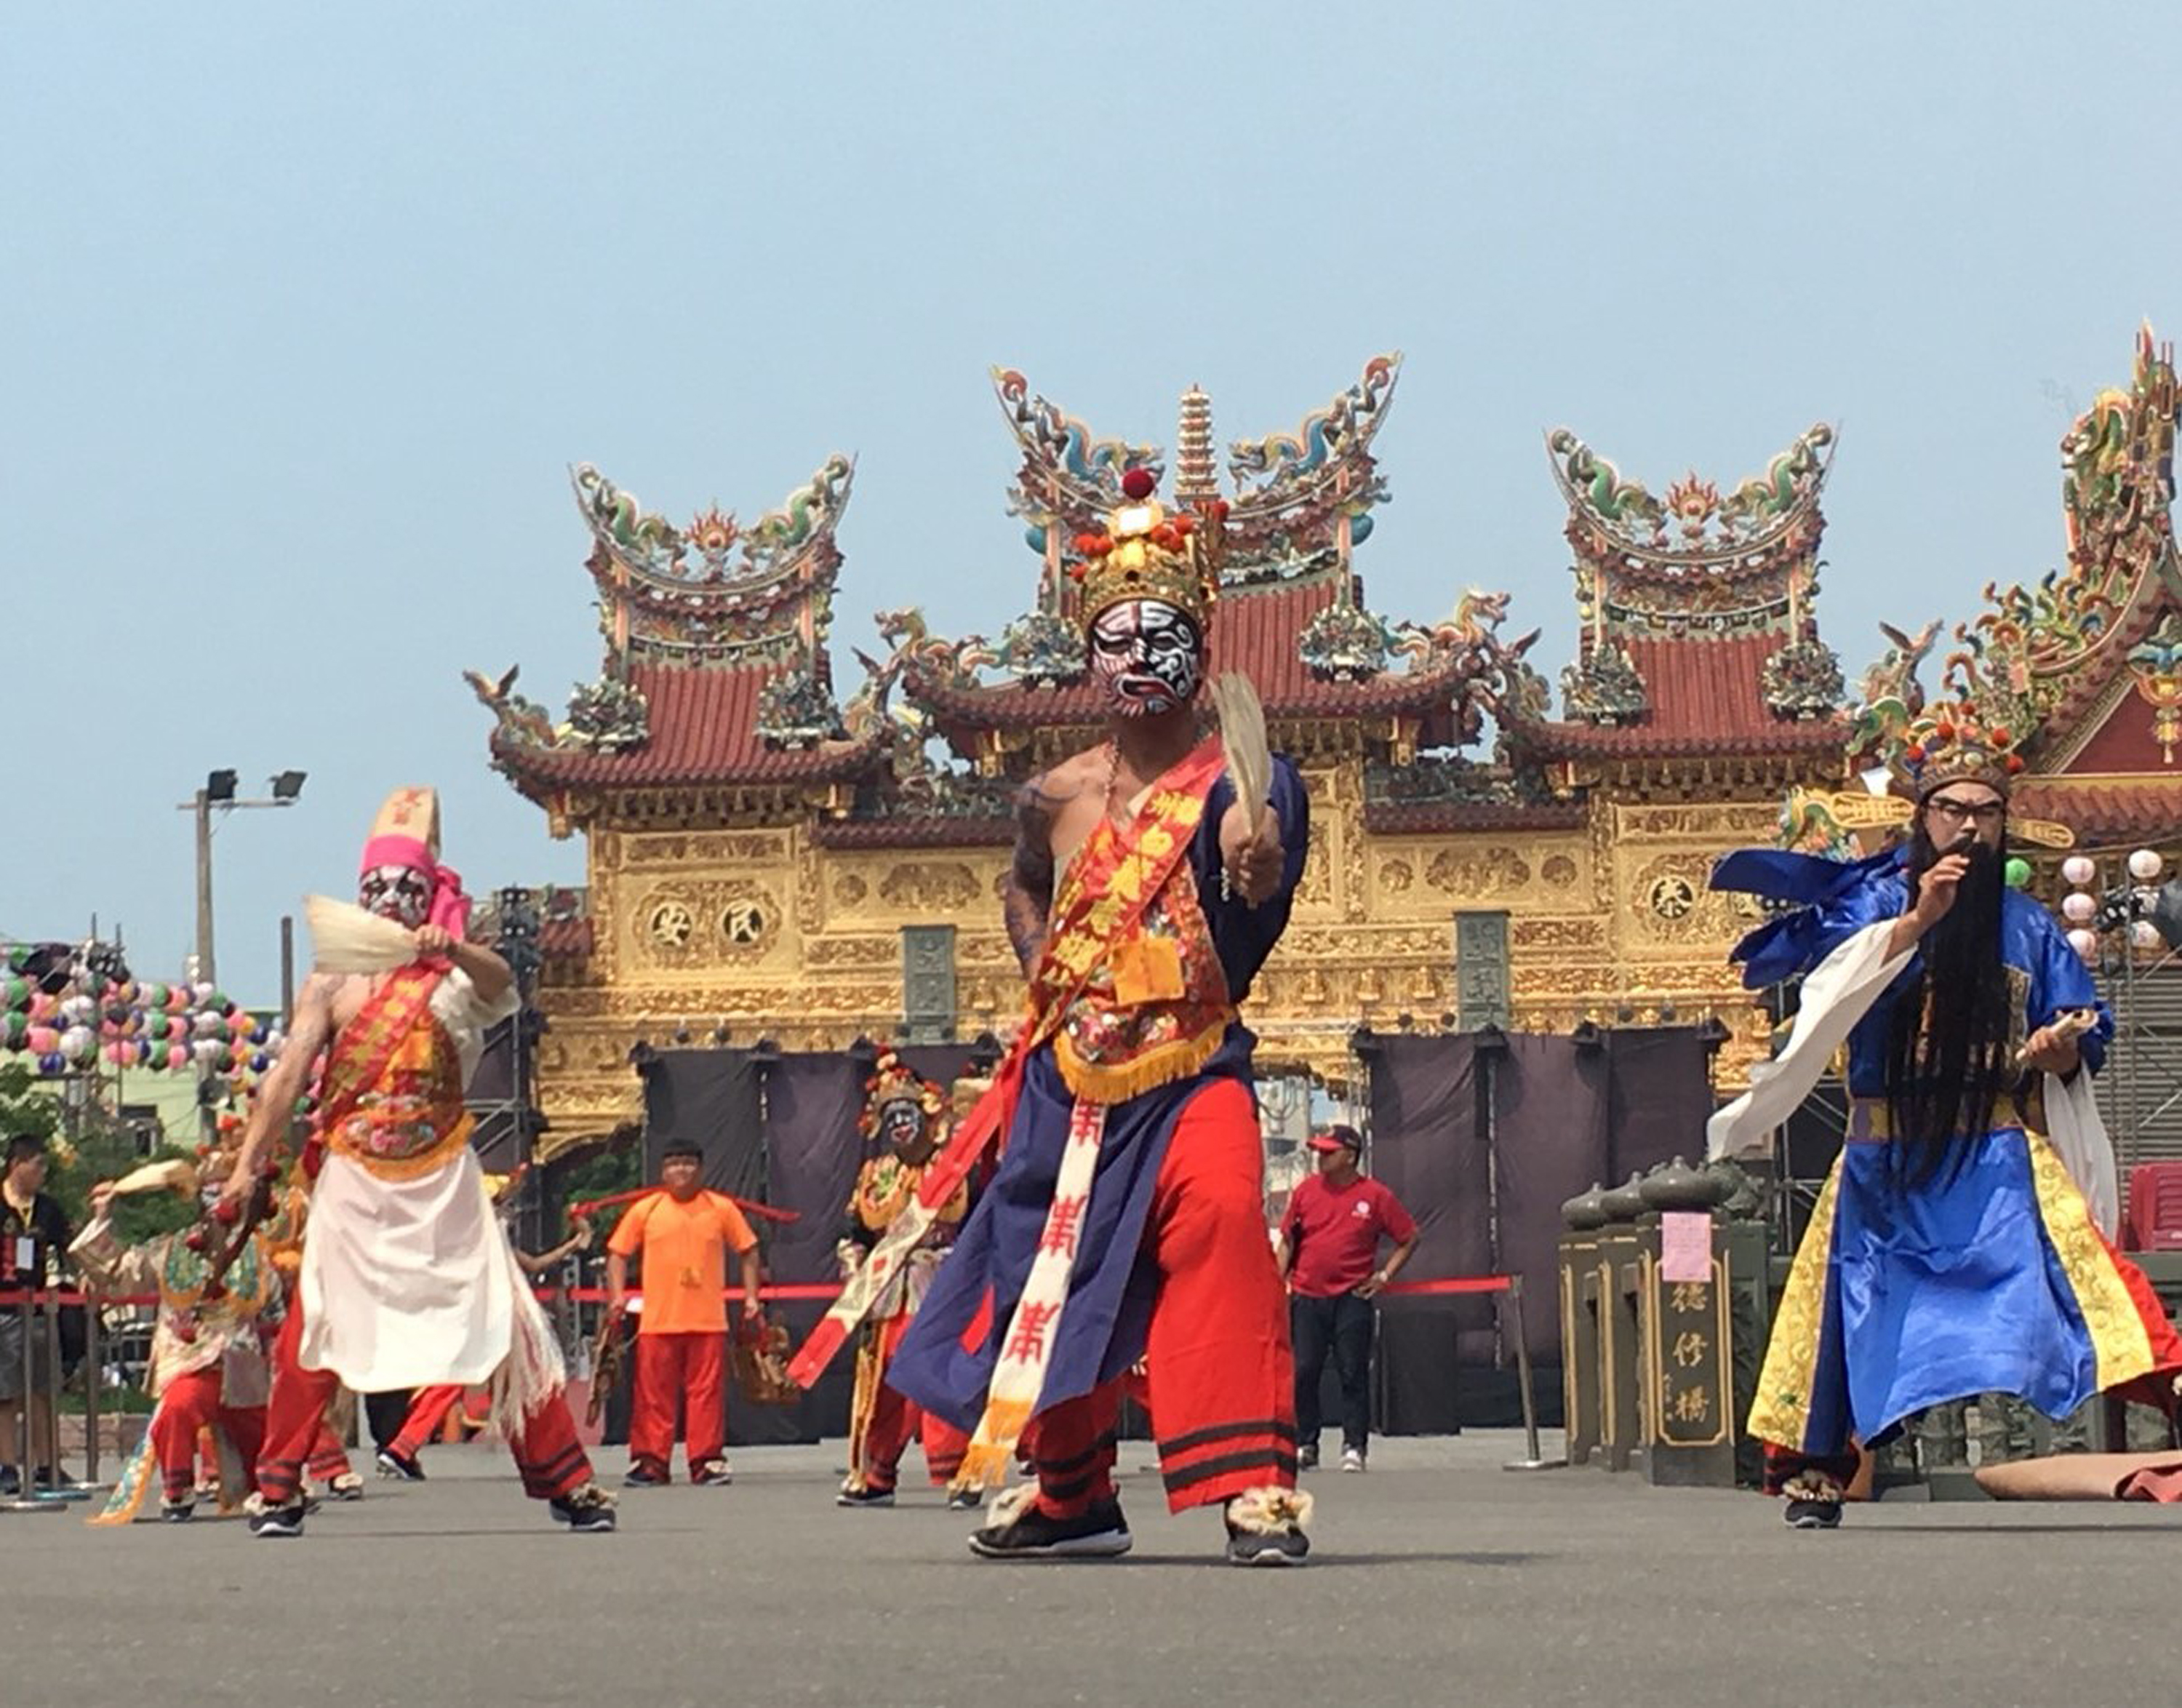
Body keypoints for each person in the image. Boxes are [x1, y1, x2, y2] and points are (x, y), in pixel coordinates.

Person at [885, 468, 1316, 1565]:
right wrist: (1042, 966)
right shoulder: (1057, 791)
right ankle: (1073, 1494)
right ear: (1089, 652)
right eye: (1115, 635)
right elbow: (1022, 882)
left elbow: (1259, 880)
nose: (1135, 654)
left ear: (1198, 645)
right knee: (1044, 1269)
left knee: (1220, 1223)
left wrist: (1254, 867)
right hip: (1066, 1076)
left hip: (1189, 1068)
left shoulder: (1244, 787)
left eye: (1158, 632)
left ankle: (1253, 1487)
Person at [1709, 705, 2182, 1528]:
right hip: (1884, 1154)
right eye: (1951, 810)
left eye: (1984, 812)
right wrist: (1920, 919)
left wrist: (2060, 1046)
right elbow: (1833, 990)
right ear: (1922, 818)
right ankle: (1820, 1469)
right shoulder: (1876, 903)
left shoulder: (2030, 925)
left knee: (2092, 1283)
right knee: (1848, 1303)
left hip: (1998, 1145)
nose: (1968, 825)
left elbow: (2085, 1024)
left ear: (2004, 822)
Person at [220, 787, 615, 1536]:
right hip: (354, 1177)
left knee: (501, 1323)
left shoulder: (454, 979)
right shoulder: (331, 979)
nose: (392, 900)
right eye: (378, 888)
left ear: (431, 891)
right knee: (317, 1325)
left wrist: (453, 945)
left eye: (408, 887)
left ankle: (567, 1481)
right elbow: (288, 1075)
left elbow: (504, 981)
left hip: (441, 1179)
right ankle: (280, 1485)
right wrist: (247, 1163)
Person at [73, 1152, 279, 1523]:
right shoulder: (171, 1248)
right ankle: (177, 1488)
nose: (219, 1202)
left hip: (240, 1359)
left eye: (227, 1193)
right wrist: (103, 1218)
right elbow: (117, 1274)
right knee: (177, 1410)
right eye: (212, 1193)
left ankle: (274, 1489)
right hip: (189, 1357)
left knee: (261, 1431)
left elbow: (275, 1303)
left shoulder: (256, 1250)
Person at [834, 1051, 974, 1509]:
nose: (898, 1124)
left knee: (939, 1379)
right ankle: (877, 1473)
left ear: (927, 1118)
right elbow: (855, 1234)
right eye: (890, 1116)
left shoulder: (952, 1167)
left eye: (907, 1114)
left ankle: (957, 1472)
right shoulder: (875, 1174)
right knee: (883, 1386)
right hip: (887, 1294)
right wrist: (855, 1270)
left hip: (940, 1287)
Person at [377, 1210, 593, 1480]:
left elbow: (535, 1265)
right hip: (480, 1315)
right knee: (480, 1380)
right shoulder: (458, 1238)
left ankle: (403, 1447)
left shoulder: (495, 1241)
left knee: (475, 1381)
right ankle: (554, 1472)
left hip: (498, 1317)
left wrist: (575, 1243)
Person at [605, 1142, 762, 1487]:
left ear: (701, 1170)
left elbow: (749, 1250)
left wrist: (752, 1297)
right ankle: (650, 1461)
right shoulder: (646, 1210)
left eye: (689, 1164)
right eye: (674, 1164)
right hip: (657, 1322)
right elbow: (617, 1253)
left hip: (707, 1321)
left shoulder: (721, 1209)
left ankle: (706, 1460)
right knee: (652, 1395)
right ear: (663, 1172)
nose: (682, 1170)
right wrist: (617, 1297)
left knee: (705, 1394)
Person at [1275, 1125, 1418, 1474]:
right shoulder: (1306, 1191)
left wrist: (1384, 1276)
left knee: (1352, 1372)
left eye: (1328, 1152)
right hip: (1307, 1297)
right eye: (1320, 1152)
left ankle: (1354, 1445)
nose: (1320, 1158)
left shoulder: (1375, 1196)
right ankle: (1306, 1442)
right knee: (1305, 1371)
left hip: (1352, 1296)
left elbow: (1409, 1237)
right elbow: (1289, 1241)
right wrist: (1277, 1283)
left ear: (1350, 1156)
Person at [0, 1133, 73, 1493]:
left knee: (42, 1388)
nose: (42, 1172)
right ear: (16, 1165)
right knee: (5, 1392)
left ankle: (47, 1465)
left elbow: (69, 1250)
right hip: (3, 1307)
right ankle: (7, 1466)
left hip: (40, 1306)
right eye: (37, 1165)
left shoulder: (48, 1209)